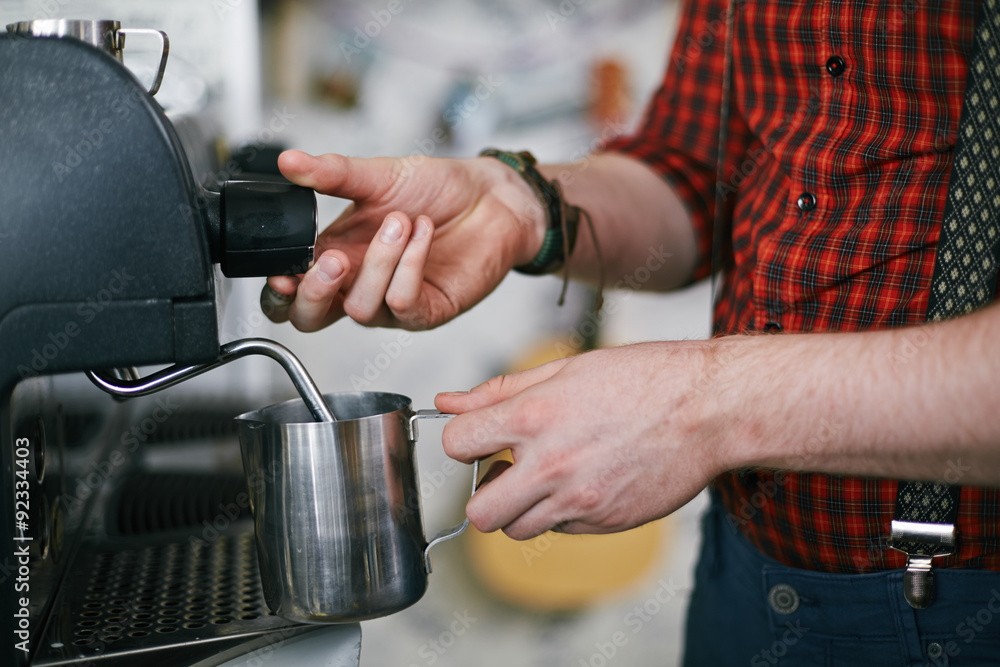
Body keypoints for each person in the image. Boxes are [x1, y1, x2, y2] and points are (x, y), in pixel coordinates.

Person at [264, 0, 1000, 663]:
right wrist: (522, 204)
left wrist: (707, 405)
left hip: (964, 599)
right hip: (742, 576)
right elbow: (693, 173)